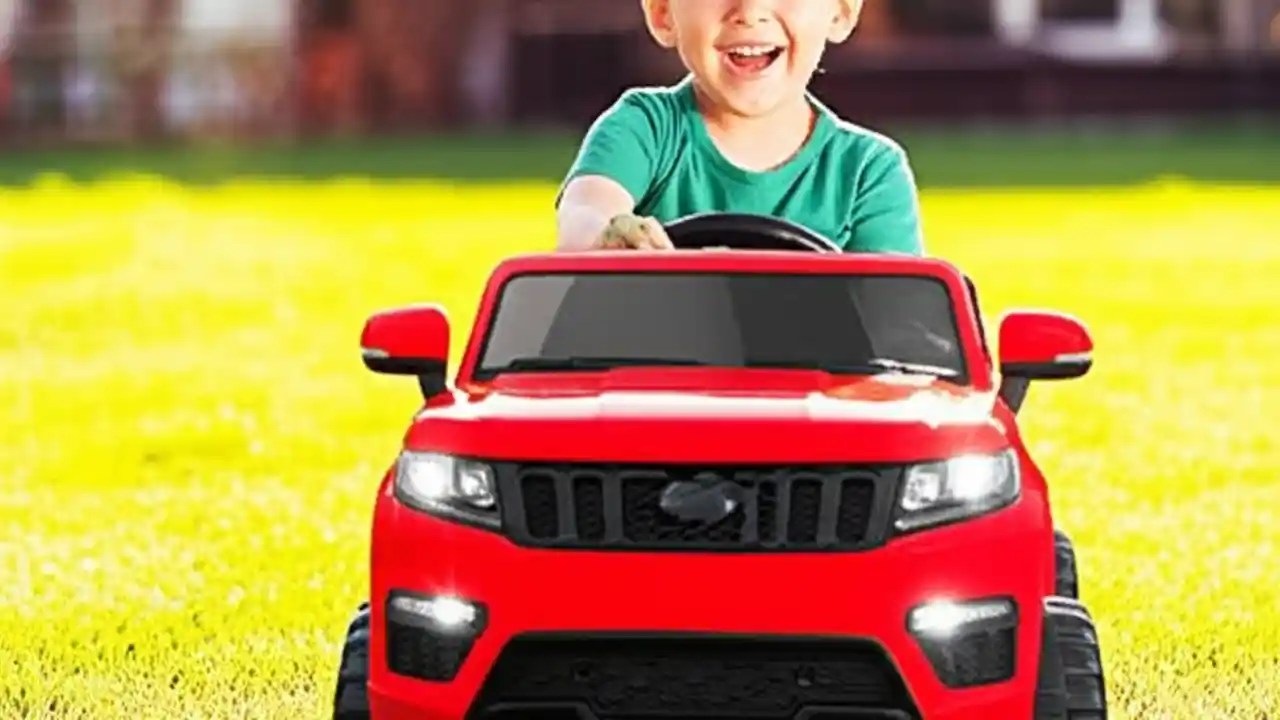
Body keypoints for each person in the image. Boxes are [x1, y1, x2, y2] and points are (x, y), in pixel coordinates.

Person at [555, 0, 925, 254]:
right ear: (663, 13)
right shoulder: (644, 129)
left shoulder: (868, 172)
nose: (749, 11)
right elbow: (586, 208)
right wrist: (607, 235)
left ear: (841, 11)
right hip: (654, 366)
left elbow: (896, 326)